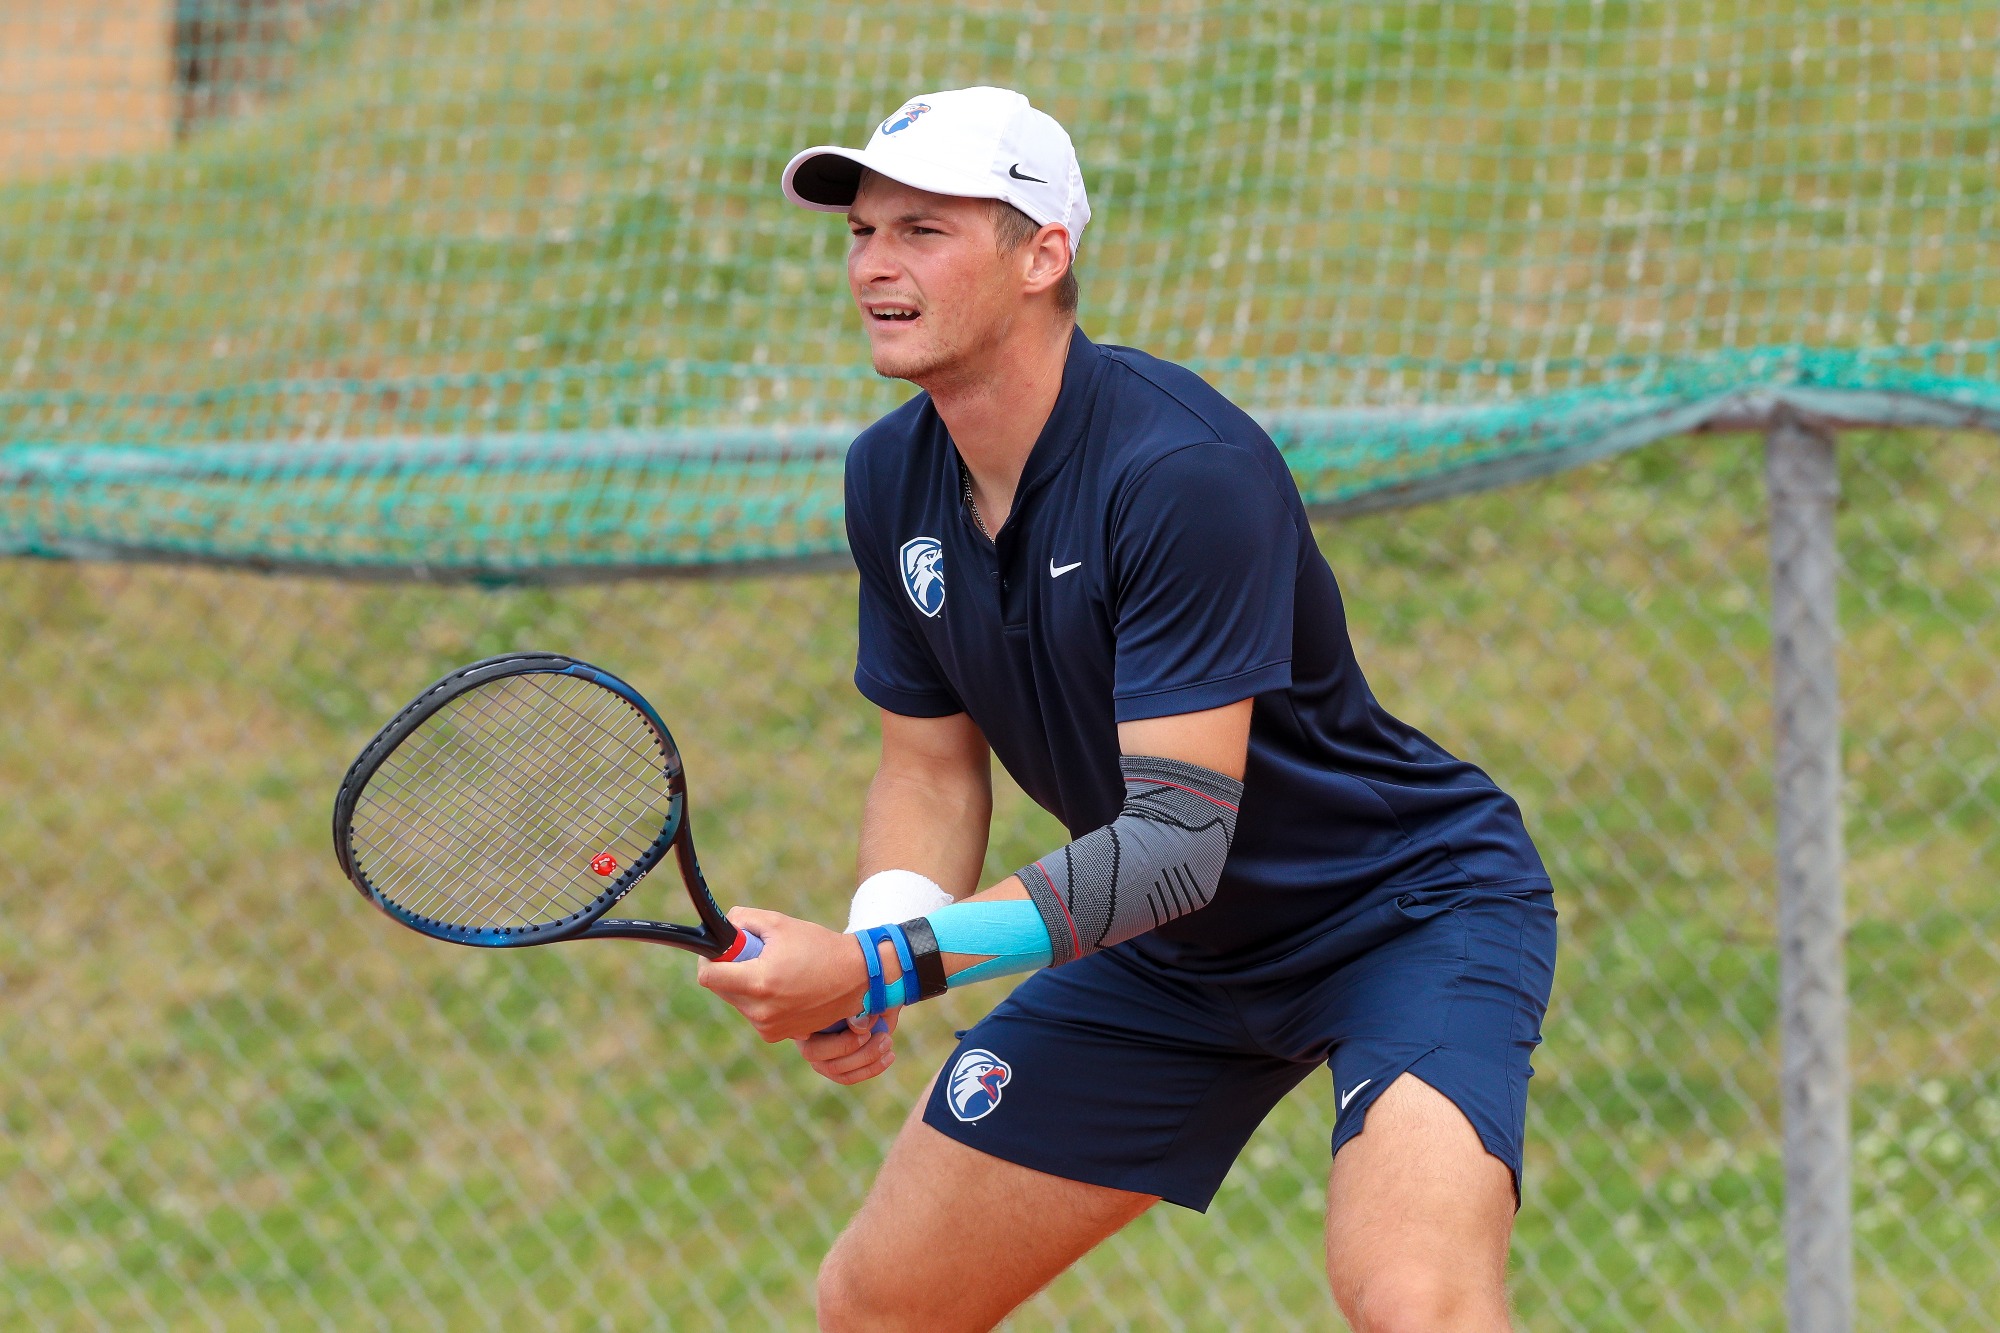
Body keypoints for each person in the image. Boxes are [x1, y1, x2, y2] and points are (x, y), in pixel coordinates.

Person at [697, 86, 1557, 1333]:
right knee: (881, 1304)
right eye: (860, 232)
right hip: (1172, 955)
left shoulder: (1179, 472)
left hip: (1398, 914)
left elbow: (1168, 844)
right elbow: (931, 769)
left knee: (1411, 1300)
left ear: (1042, 253)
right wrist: (883, 948)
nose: (875, 266)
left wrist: (883, 965)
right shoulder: (888, 475)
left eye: (923, 231)